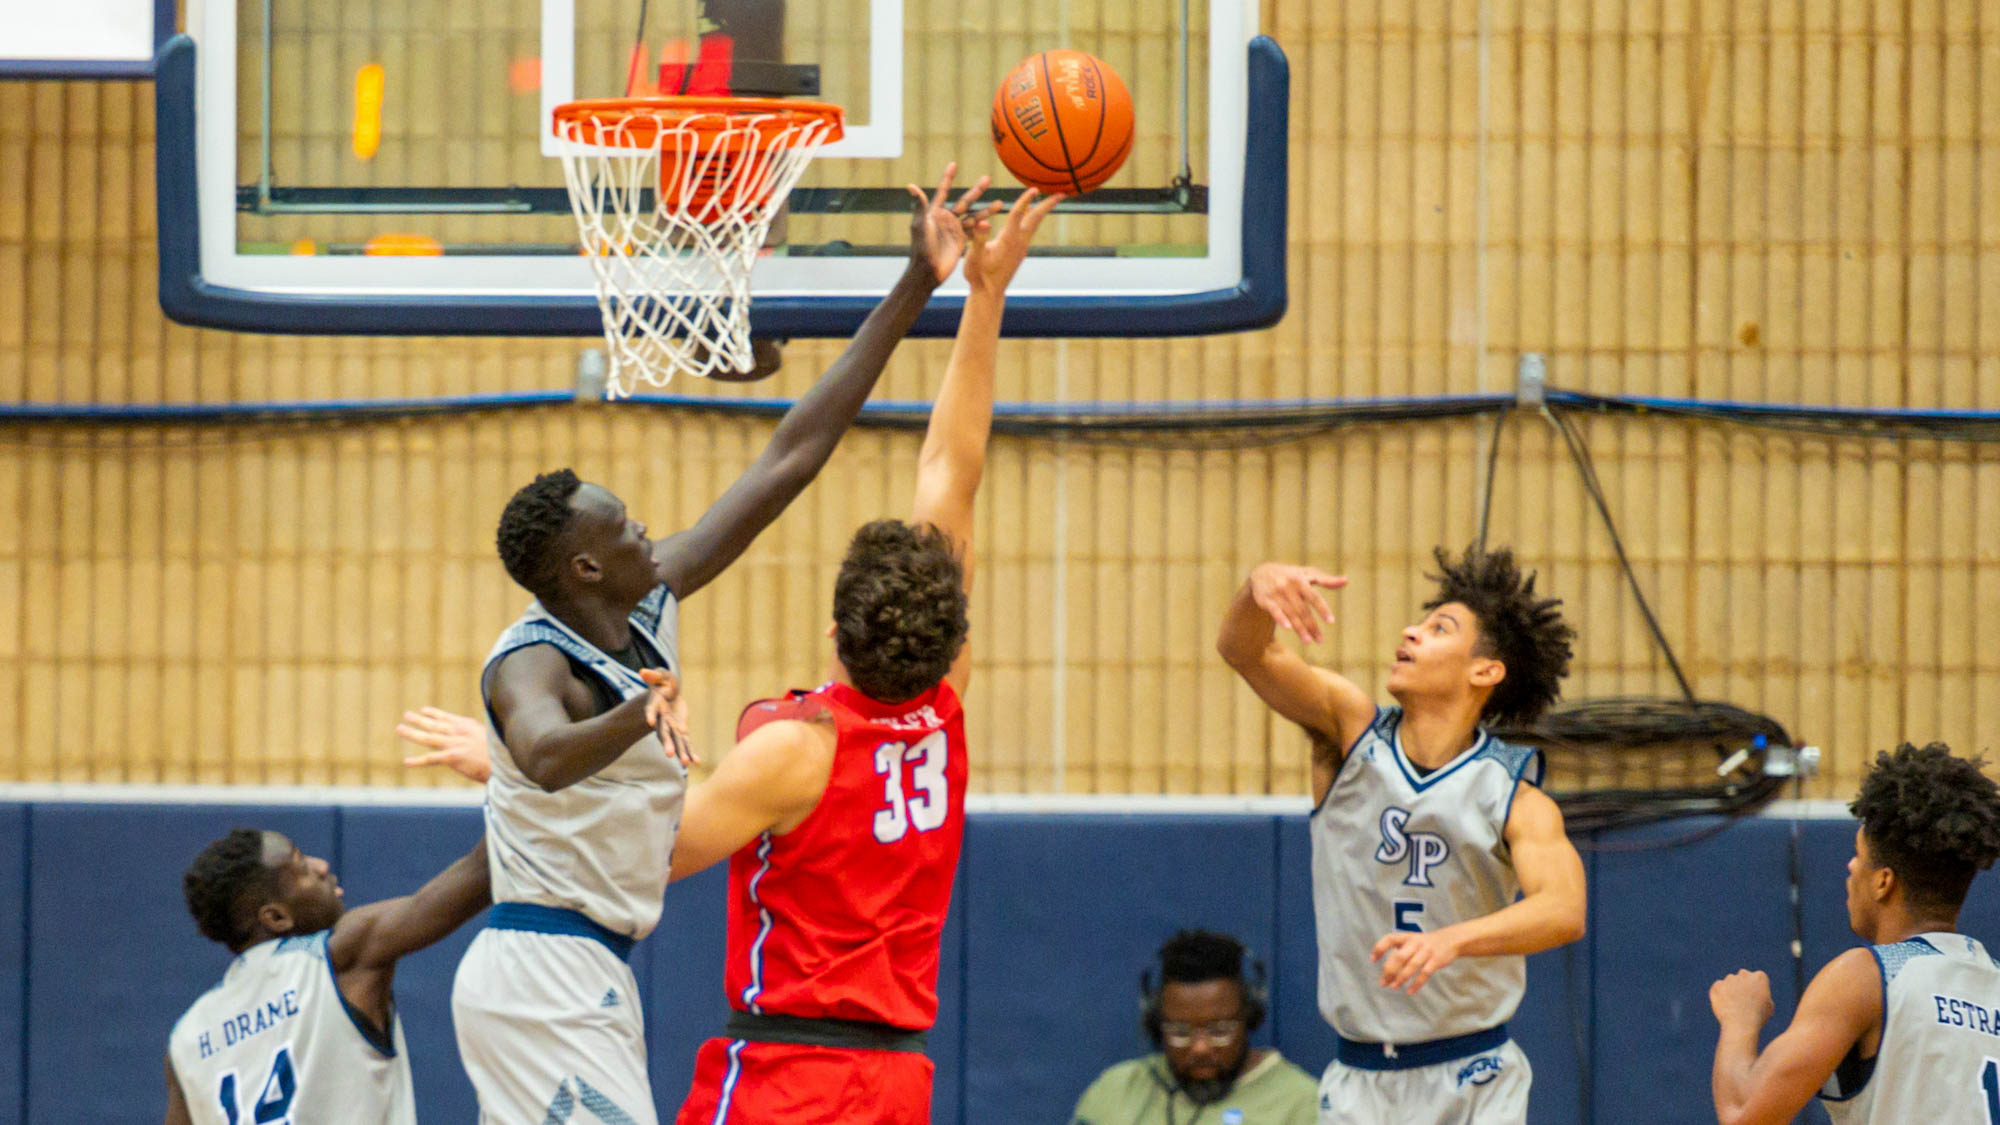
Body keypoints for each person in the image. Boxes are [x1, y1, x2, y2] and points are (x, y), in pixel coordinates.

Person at [453, 164, 989, 1125]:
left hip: (591, 969)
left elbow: (791, 453)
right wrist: (635, 713)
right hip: (545, 971)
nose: (644, 526)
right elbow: (537, 752)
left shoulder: (649, 601)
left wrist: (917, 285)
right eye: (620, 525)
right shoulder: (529, 659)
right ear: (580, 569)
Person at [657, 185, 1059, 1125]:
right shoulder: (944, 703)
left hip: (787, 1078)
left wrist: (578, 752)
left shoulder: (798, 749)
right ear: (952, 640)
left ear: (834, 633)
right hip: (894, 1085)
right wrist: (987, 296)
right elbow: (952, 468)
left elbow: (646, 855)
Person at [1215, 548, 1586, 1124]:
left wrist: (1450, 941)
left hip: (1473, 1076)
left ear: (1484, 671)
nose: (1412, 630)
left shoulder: (1514, 794)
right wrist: (1255, 587)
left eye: (1440, 628)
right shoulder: (1345, 728)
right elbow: (1244, 650)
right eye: (1420, 621)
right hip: (1360, 1079)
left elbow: (1564, 909)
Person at [1709, 741, 2000, 1125]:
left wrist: (1740, 1019)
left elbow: (1743, 1113)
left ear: (1884, 882)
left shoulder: (1868, 977)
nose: (1850, 867)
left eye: (1858, 855)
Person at [163, 826, 489, 1125]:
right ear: (276, 917)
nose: (321, 866)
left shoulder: (187, 1039)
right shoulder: (338, 959)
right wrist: (512, 777)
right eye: (301, 865)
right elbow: (482, 871)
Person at [1070, 930, 1318, 1125]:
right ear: (1157, 1026)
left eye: (1219, 1031)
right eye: (1180, 1032)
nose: (1200, 1048)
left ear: (1249, 1018)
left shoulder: (1302, 1104)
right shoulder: (1118, 1090)